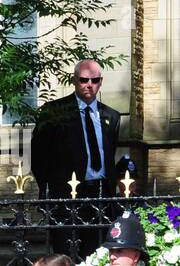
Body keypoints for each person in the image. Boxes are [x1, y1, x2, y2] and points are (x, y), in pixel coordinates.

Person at [31, 59, 127, 199]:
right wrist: (50, 188)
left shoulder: (111, 116)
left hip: (102, 193)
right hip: (66, 193)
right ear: (74, 80)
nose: (89, 85)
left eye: (94, 80)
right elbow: (38, 155)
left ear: (101, 81)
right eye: (83, 80)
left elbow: (109, 154)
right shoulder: (55, 112)